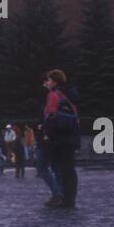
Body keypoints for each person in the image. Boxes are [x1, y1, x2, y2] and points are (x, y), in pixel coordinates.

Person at [41, 70, 80, 208]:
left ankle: (65, 199)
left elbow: (50, 117)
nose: (47, 82)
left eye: (50, 80)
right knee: (69, 169)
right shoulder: (68, 95)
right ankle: (70, 199)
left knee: (61, 169)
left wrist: (47, 134)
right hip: (71, 136)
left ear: (55, 81)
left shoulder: (53, 95)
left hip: (59, 137)